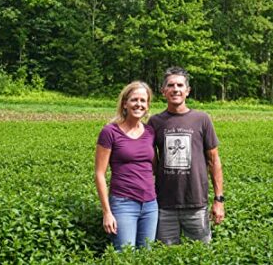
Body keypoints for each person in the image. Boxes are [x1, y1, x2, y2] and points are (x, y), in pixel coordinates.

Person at [148, 67, 225, 245]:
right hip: (164, 205)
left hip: (196, 204)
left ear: (187, 91)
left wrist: (219, 199)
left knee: (200, 255)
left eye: (180, 85)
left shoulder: (202, 119)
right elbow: (151, 162)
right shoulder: (155, 122)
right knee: (166, 256)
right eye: (171, 85)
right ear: (163, 91)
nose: (176, 89)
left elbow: (214, 161)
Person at [95, 81, 158, 251]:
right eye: (134, 100)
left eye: (143, 101)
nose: (139, 104)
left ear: (148, 105)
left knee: (147, 254)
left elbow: (154, 167)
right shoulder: (110, 132)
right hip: (124, 204)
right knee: (124, 254)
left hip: (150, 204)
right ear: (125, 103)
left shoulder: (150, 132)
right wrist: (107, 212)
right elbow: (99, 174)